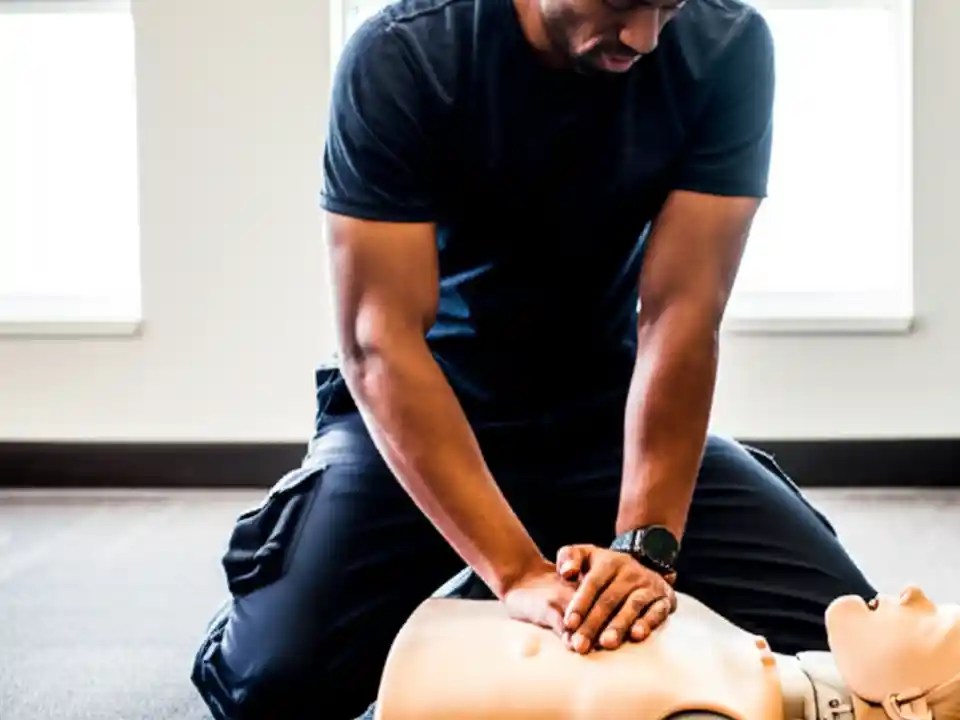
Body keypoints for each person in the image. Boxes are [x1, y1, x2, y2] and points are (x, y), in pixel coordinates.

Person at [190, 0, 877, 717]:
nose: (645, 37)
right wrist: (515, 573)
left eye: (667, 7)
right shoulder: (405, 55)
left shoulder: (727, 44)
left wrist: (645, 550)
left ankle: (530, 570)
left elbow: (680, 313)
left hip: (605, 419)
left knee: (851, 643)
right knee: (269, 683)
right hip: (423, 420)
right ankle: (447, 576)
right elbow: (379, 344)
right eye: (622, 3)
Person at [371, 582, 960, 720]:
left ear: (908, 705)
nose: (915, 594)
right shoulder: (761, 672)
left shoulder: (743, 703)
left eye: (936, 624)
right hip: (447, 637)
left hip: (421, 693)